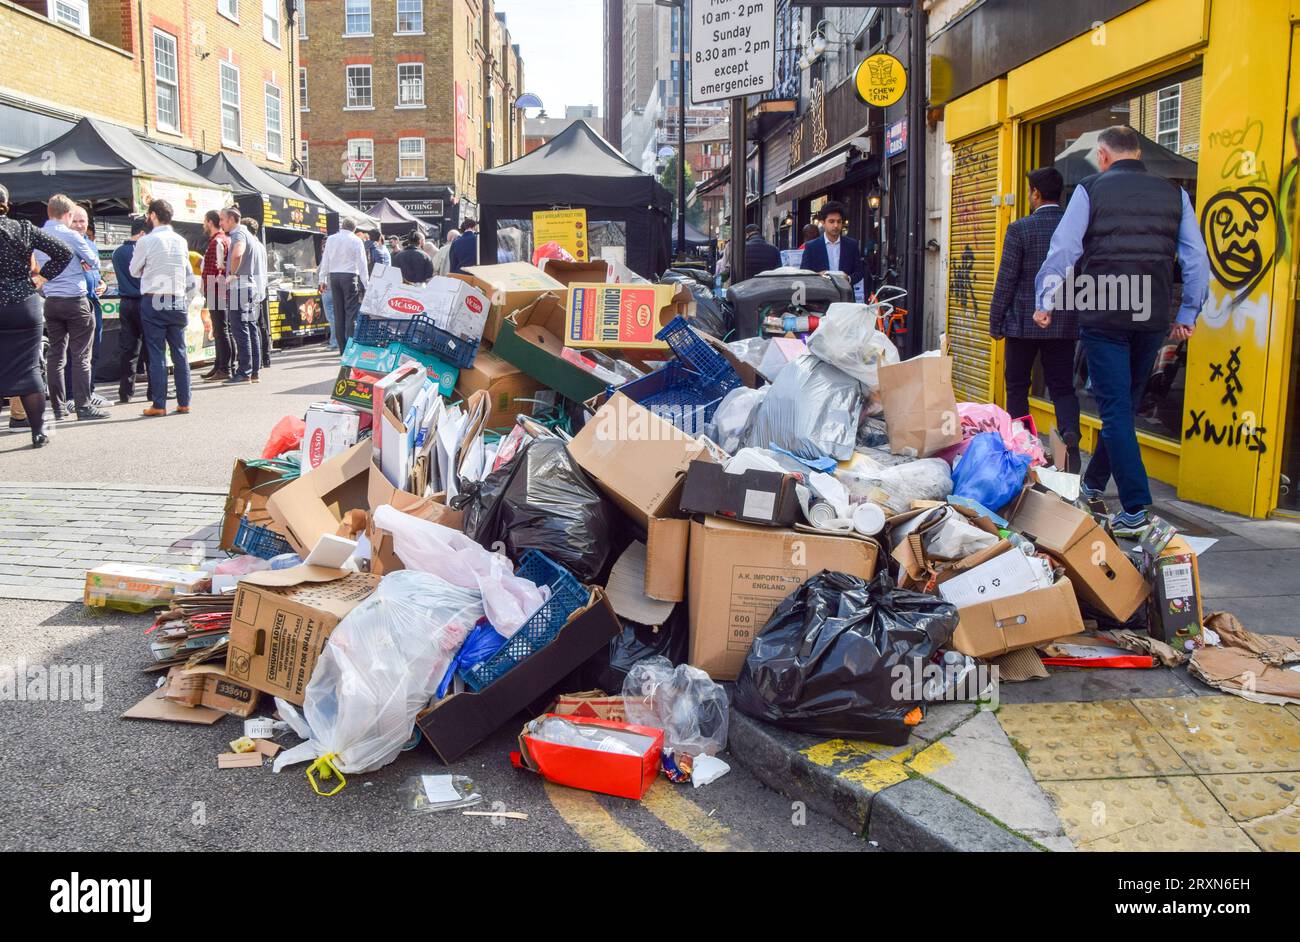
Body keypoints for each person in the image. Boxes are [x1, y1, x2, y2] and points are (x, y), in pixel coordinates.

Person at [1034, 125, 1210, 536]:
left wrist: (1046, 301)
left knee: (1114, 411)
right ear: (1137, 153)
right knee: (1124, 410)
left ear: (1104, 154)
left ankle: (1135, 508)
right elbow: (1196, 259)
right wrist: (1188, 312)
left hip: (1104, 310)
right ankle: (1094, 484)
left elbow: (1065, 249)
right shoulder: (1175, 193)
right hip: (1152, 314)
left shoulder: (1090, 189)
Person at [988, 167, 1080, 473]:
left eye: (1029, 192)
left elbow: (1007, 280)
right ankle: (1071, 438)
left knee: (1017, 386)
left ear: (1036, 194)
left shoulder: (1020, 229)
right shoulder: (1076, 228)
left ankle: (1024, 448)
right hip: (1064, 323)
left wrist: (996, 321)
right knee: (1062, 388)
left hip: (1023, 324)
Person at [0, 184, 74, 447]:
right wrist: (40, 278)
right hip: (24, 305)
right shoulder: (24, 228)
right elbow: (65, 252)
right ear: (7, 203)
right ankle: (38, 431)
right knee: (29, 368)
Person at [37, 194, 106, 421]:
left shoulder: (38, 234)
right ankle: (83, 406)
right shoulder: (71, 235)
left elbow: (36, 267)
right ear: (67, 215)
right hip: (76, 300)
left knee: (56, 355)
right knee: (81, 356)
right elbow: (93, 261)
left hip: (51, 300)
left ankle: (58, 408)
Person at [130, 198, 197, 417]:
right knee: (179, 352)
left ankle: (159, 404)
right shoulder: (181, 241)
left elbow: (133, 270)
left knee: (156, 353)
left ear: (152, 215)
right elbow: (189, 278)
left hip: (154, 299)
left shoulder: (146, 241)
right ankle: (184, 402)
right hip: (177, 298)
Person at [220, 208, 264, 384]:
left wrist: (231, 272)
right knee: (251, 328)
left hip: (240, 287)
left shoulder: (239, 235)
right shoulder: (248, 234)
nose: (221, 223)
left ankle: (244, 371)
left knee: (241, 329)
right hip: (250, 287)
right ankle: (254, 370)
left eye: (223, 219)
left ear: (231, 219)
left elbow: (238, 253)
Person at [111, 216, 150, 404]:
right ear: (142, 233)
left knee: (129, 349)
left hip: (125, 303)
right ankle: (154, 391)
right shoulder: (142, 251)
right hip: (144, 301)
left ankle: (125, 392)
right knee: (151, 347)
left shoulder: (117, 252)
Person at [317, 217, 369, 351]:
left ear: (342, 226)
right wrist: (367, 285)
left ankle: (342, 347)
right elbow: (362, 264)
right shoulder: (357, 240)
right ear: (354, 228)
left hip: (334, 277)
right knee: (351, 312)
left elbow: (325, 260)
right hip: (350, 276)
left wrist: (322, 279)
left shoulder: (331, 239)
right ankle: (351, 347)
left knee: (338, 312)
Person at [800, 201, 866, 289]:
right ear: (823, 223)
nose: (836, 225)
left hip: (846, 296)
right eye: (831, 221)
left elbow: (859, 272)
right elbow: (804, 273)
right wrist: (818, 275)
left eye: (839, 222)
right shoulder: (811, 247)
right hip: (820, 294)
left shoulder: (852, 245)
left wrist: (848, 279)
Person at [199, 210, 232, 382]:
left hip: (216, 286)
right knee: (220, 330)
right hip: (216, 286)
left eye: (205, 221)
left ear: (210, 222)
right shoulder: (221, 239)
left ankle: (224, 368)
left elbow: (219, 265)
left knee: (221, 329)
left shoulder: (218, 240)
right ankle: (220, 365)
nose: (204, 225)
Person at [242, 217, 272, 368]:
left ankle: (258, 359)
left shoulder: (250, 245)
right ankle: (265, 357)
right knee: (261, 325)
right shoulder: (260, 245)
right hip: (260, 287)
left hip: (252, 287)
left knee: (253, 325)